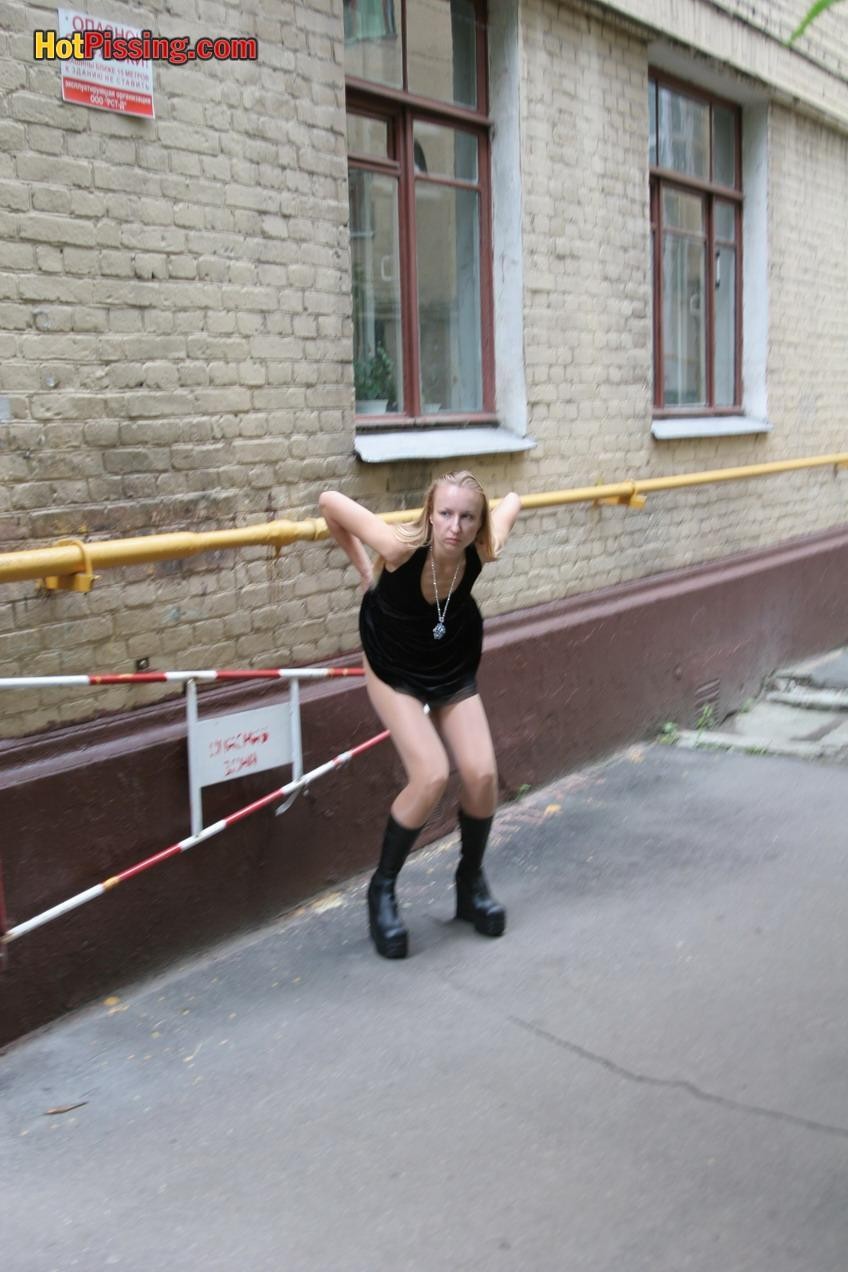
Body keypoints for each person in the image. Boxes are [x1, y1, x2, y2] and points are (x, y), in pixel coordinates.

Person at [318, 472, 522, 959]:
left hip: (449, 658)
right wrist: (365, 571)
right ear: (430, 512)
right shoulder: (398, 547)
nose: (455, 527)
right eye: (446, 514)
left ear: (478, 523)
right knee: (430, 774)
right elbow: (328, 502)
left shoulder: (482, 549)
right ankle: (382, 890)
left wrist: (507, 501)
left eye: (467, 517)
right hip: (391, 662)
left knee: (482, 773)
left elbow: (513, 501)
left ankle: (470, 885)